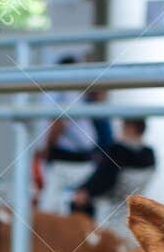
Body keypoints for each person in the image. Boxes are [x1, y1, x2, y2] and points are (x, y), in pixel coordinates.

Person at [38, 57, 110, 213]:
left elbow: (58, 124)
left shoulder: (68, 94)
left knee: (52, 205)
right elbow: (59, 124)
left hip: (72, 159)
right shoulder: (70, 93)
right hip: (73, 159)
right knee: (63, 206)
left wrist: (46, 149)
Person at [71, 117, 156, 217]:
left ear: (130, 128)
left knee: (75, 200)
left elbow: (104, 178)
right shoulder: (149, 154)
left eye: (122, 126)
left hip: (109, 209)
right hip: (133, 210)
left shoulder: (118, 151)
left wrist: (85, 191)